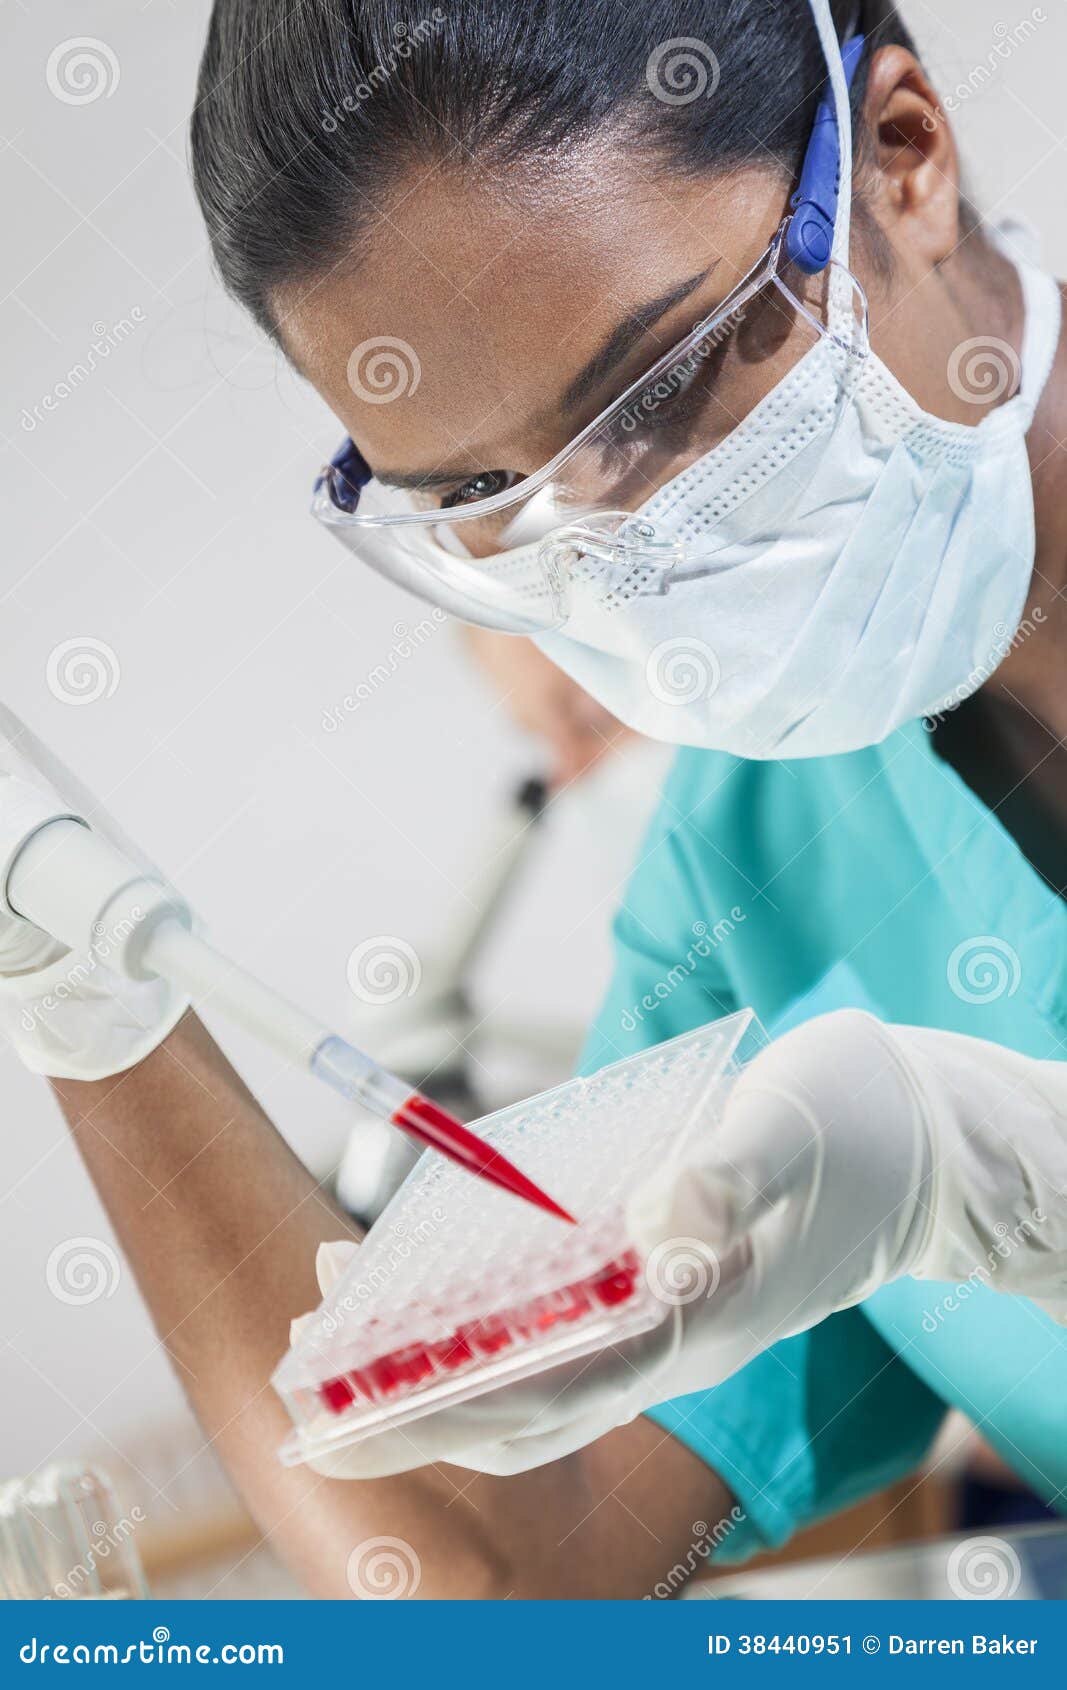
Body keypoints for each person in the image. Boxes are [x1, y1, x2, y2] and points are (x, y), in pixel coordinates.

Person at [3, 0, 1066, 1596]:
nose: (624, 561)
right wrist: (74, 971)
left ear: (900, 161)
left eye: (653, 394)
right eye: (483, 503)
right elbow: (498, 1567)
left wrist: (981, 1164)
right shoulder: (753, 863)